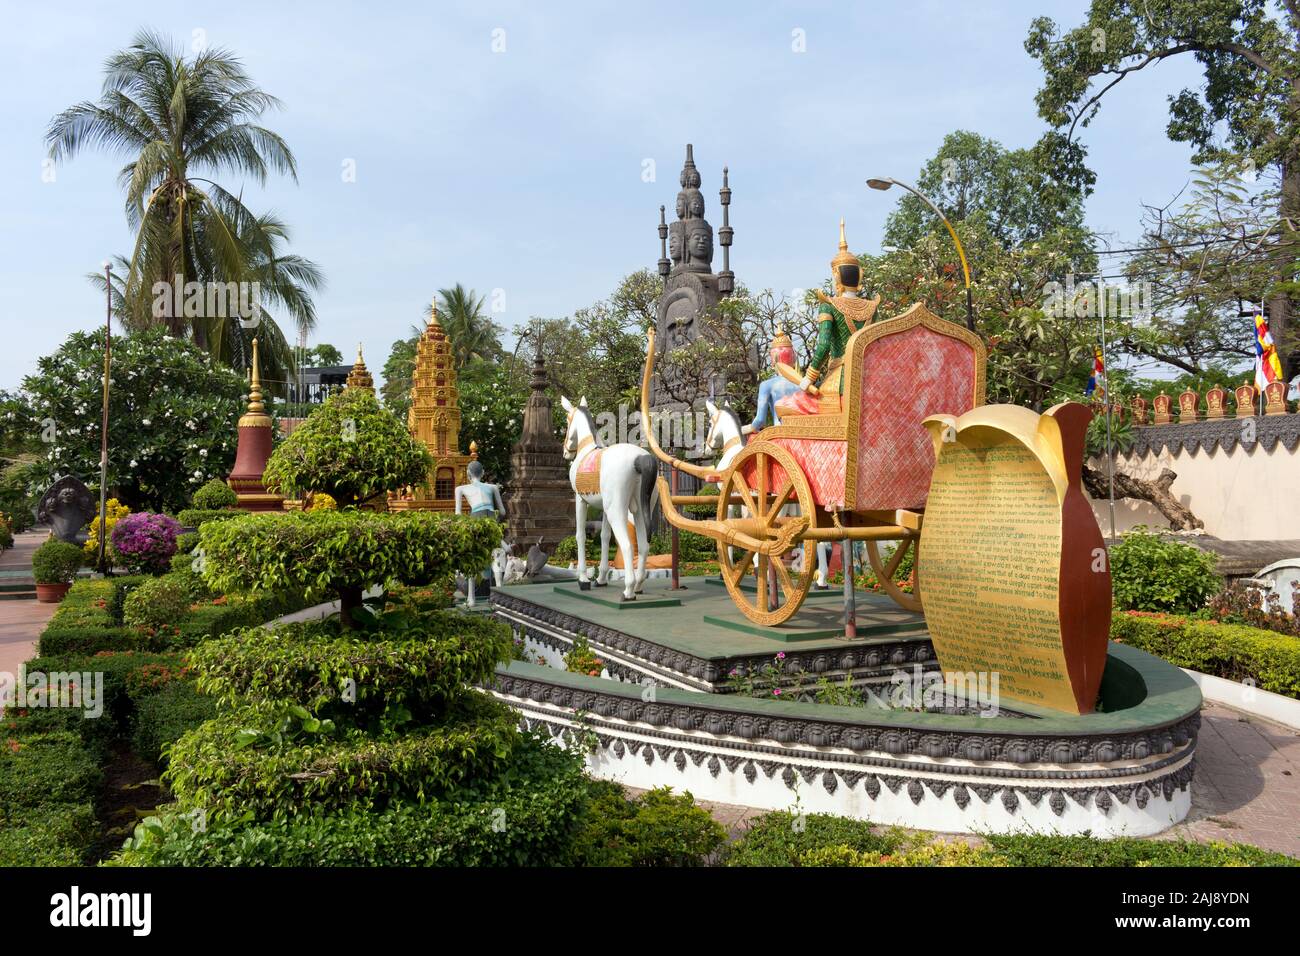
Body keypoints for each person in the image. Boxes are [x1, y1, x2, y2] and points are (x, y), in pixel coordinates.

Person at [777, 219, 879, 418]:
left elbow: (823, 346)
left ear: (836, 276)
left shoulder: (829, 305)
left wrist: (808, 379)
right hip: (870, 382)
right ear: (859, 276)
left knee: (784, 406)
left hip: (839, 384)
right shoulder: (872, 307)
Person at [454, 460, 505, 603]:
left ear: (468, 474)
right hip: (491, 518)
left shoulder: (460, 488)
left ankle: (471, 598)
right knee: (495, 553)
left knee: (473, 556)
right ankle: (500, 595)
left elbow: (458, 514)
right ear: (482, 473)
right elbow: (502, 511)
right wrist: (495, 522)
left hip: (475, 518)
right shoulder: (493, 487)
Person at [743, 326, 801, 435]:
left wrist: (744, 429)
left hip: (780, 433)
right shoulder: (802, 384)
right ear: (793, 358)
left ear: (773, 359)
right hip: (802, 432)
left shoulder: (767, 385)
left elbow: (760, 420)